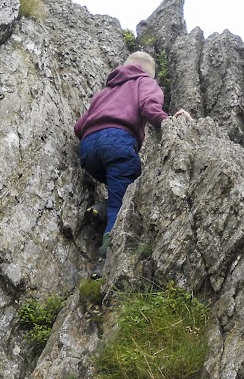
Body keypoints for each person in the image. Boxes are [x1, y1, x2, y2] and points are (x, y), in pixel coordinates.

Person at [75, 51, 191, 277]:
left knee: (120, 185)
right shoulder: (145, 82)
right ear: (150, 73)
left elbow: (79, 126)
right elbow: (149, 107)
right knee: (130, 196)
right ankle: (104, 261)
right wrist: (170, 124)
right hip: (117, 141)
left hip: (88, 149)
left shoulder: (105, 91)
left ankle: (103, 207)